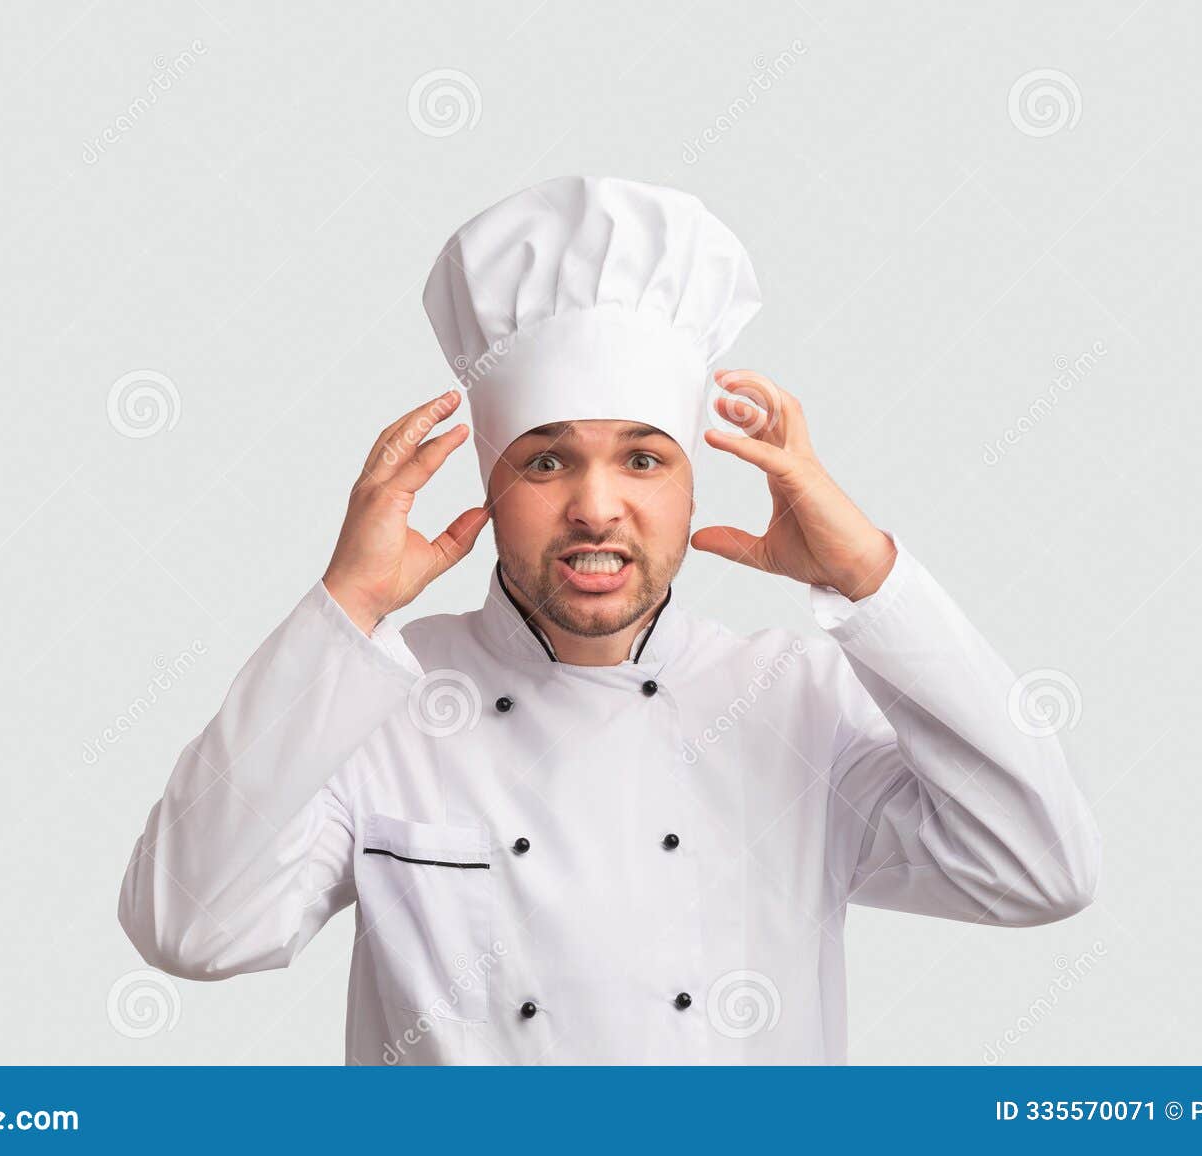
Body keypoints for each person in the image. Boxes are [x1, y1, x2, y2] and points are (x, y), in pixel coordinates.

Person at [117, 175, 1102, 1064]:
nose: (595, 506)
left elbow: (1037, 870)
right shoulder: (382, 699)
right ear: (489, 486)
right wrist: (348, 606)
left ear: (689, 485)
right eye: (545, 460)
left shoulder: (793, 699)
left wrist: (868, 577)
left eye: (642, 458)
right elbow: (189, 927)